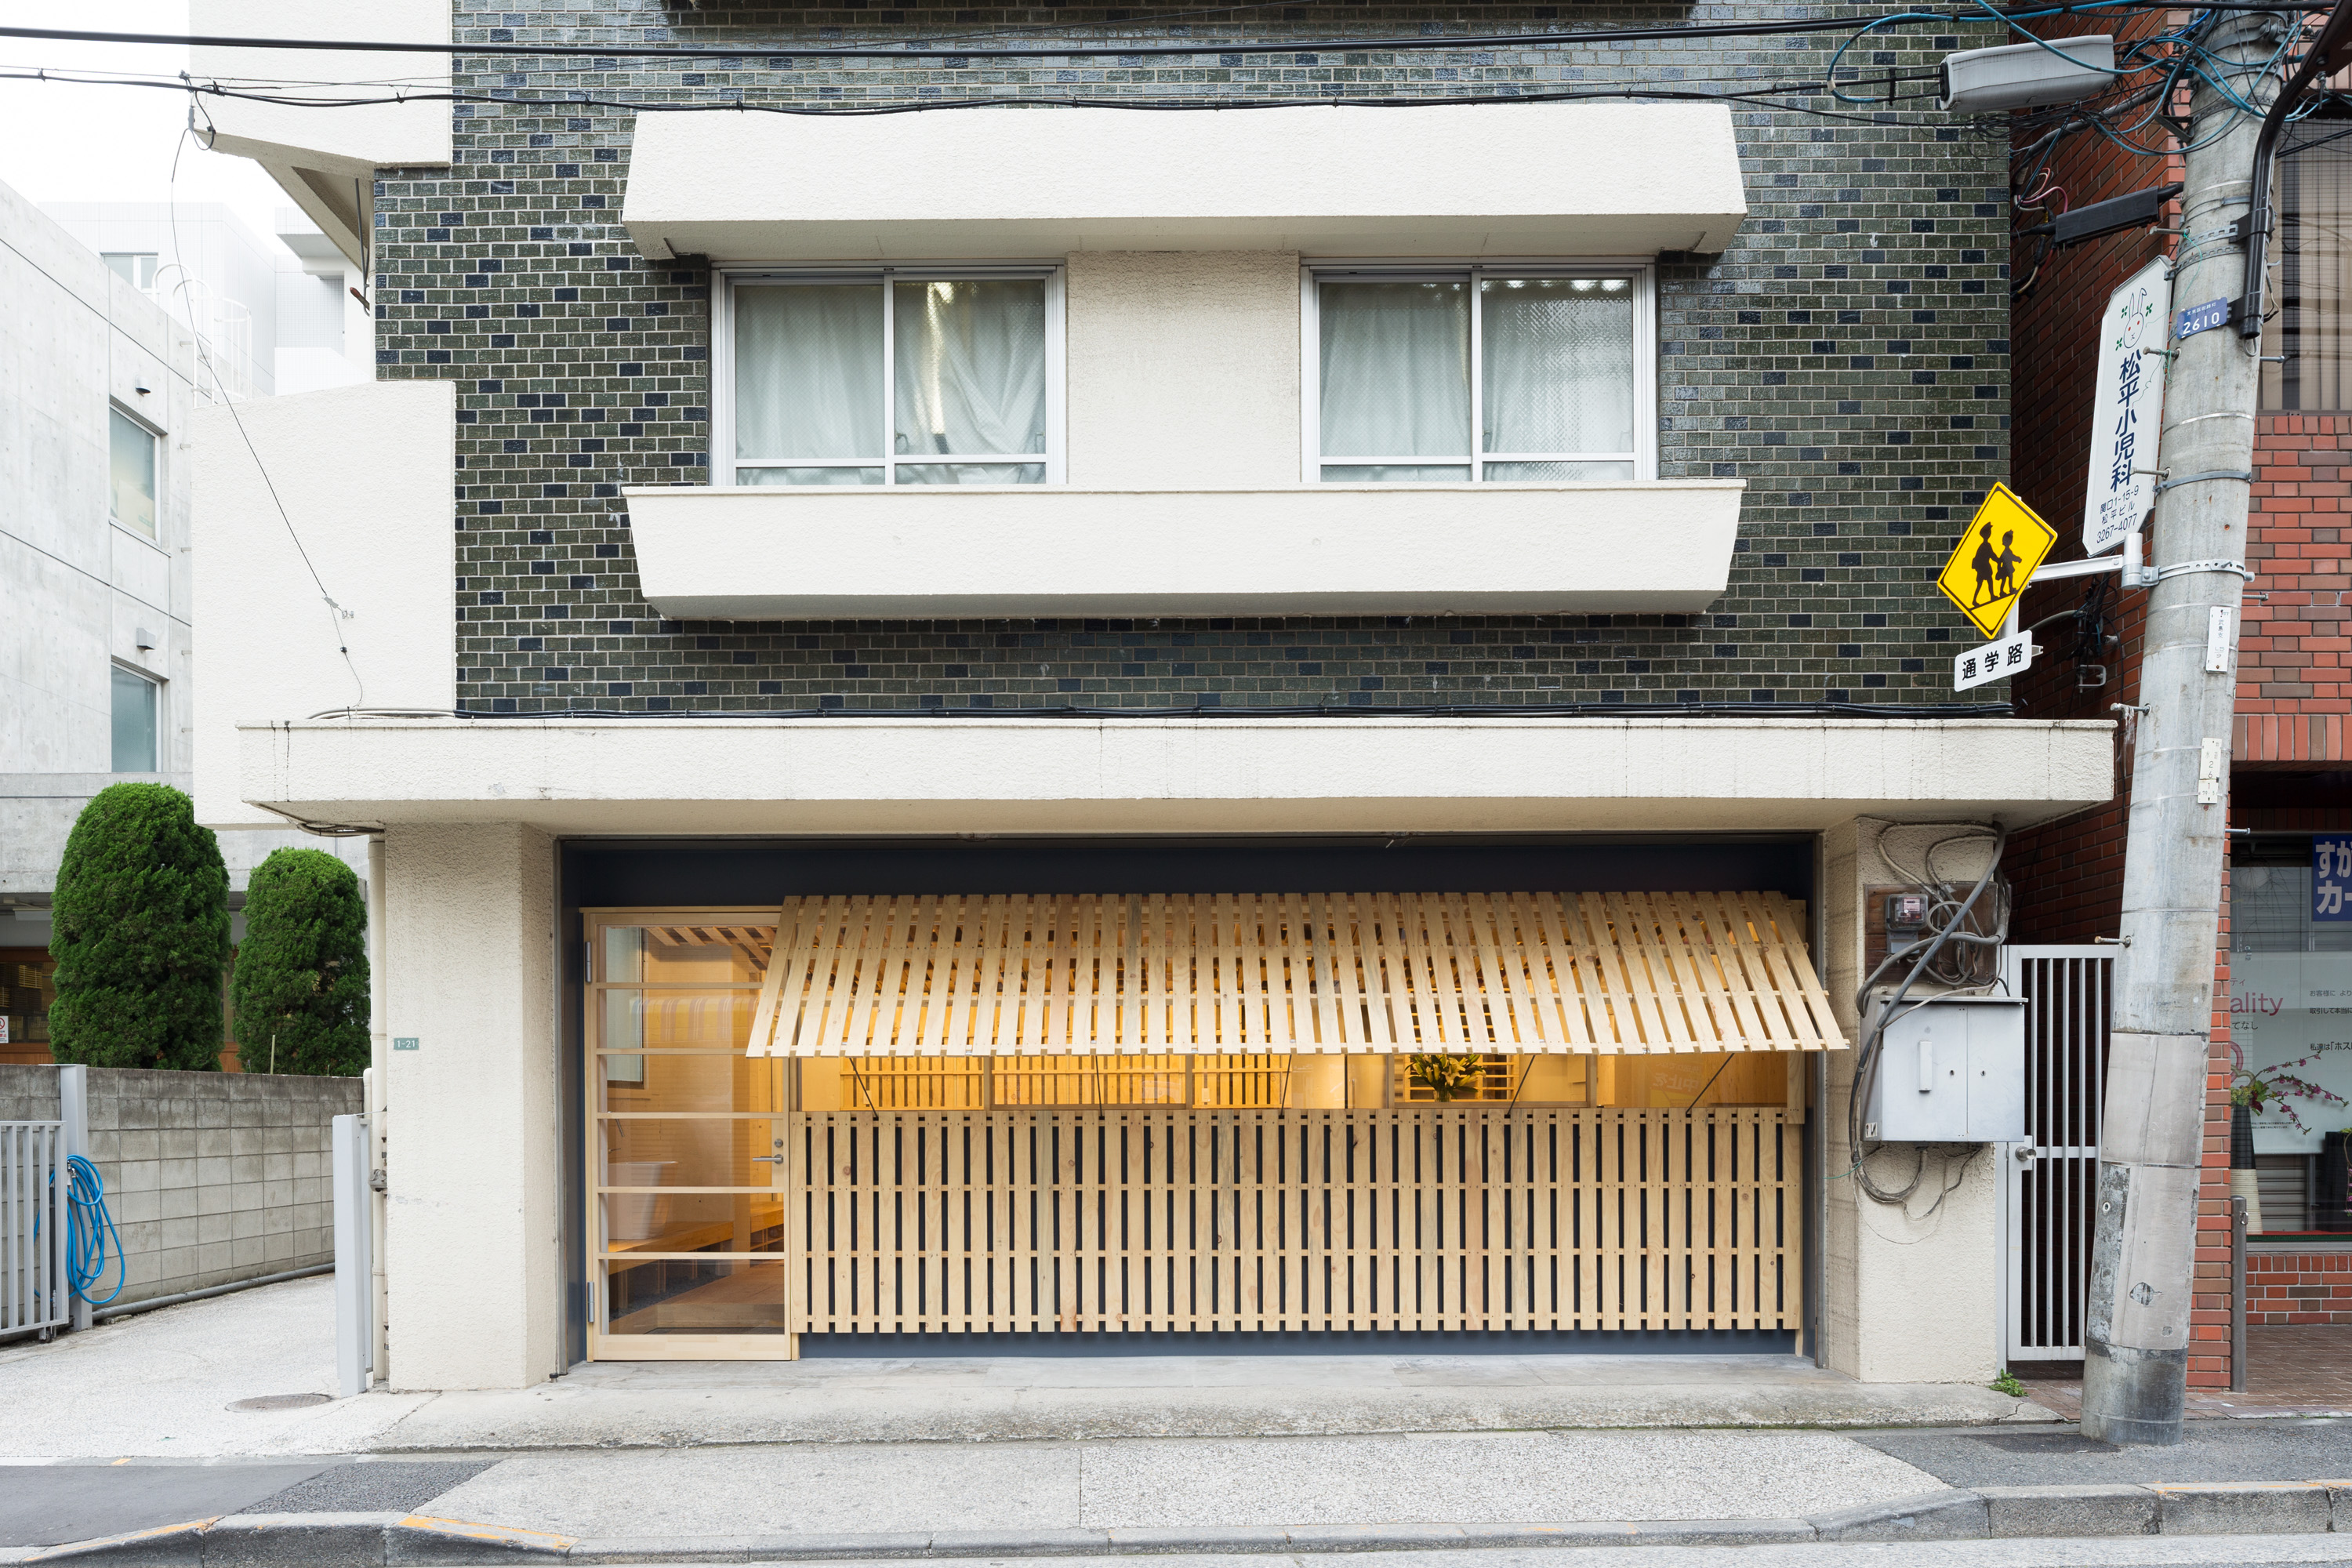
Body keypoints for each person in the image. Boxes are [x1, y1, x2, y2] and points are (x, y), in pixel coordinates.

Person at [1969, 524, 1997, 606]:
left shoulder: (1985, 545)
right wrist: (1998, 560)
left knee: (1984, 583)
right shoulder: (1985, 546)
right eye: (1989, 532)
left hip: (1983, 568)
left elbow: (1992, 555)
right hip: (1983, 568)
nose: (1990, 533)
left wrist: (1998, 560)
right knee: (1986, 582)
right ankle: (1976, 600)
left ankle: (1989, 597)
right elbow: (1992, 555)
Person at [1994, 529, 2022, 599]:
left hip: (2007, 568)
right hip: (2006, 569)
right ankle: (2006, 590)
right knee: (2007, 579)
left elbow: (2011, 557)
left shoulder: (2007, 551)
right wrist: (2018, 559)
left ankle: (2007, 590)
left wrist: (2017, 559)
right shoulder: (2006, 552)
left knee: (2007, 579)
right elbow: (2012, 557)